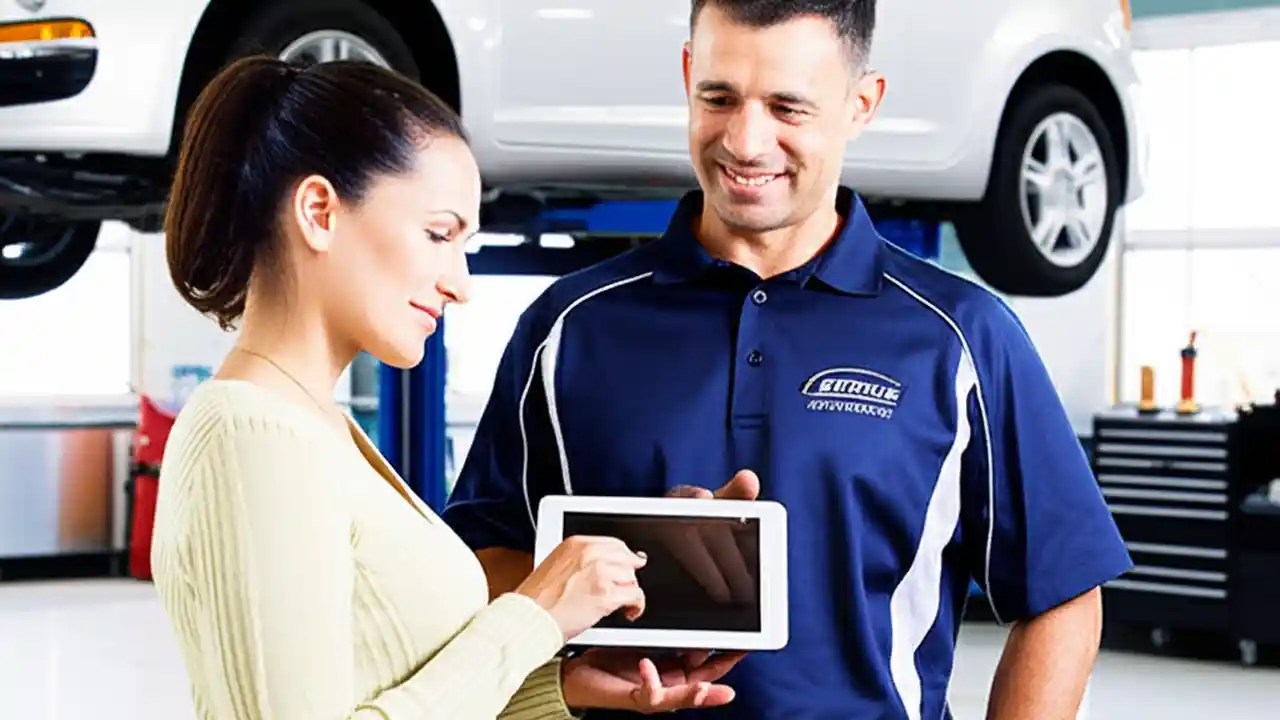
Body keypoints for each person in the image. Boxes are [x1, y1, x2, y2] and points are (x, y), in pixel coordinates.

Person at [442, 1, 1134, 718]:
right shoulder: (568, 326)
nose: (746, 141)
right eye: (719, 98)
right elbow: (477, 569)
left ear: (861, 104)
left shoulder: (962, 337)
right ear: (688, 75)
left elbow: (1062, 593)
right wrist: (631, 559)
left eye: (787, 108)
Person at [148, 55, 745, 719]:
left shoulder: (316, 427)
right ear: (319, 211)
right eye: (438, 234)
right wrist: (535, 616)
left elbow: (384, 686)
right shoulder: (253, 434)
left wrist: (557, 685)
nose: (459, 284)